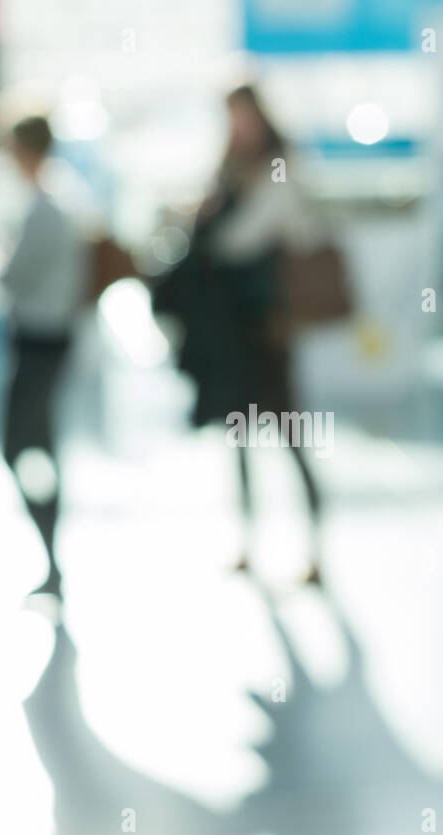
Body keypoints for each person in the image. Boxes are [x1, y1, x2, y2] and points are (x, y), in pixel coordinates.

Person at [169, 84, 325, 584]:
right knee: (238, 437)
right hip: (232, 328)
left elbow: (248, 238)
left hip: (267, 327)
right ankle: (249, 542)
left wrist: (211, 227)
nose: (238, 126)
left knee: (289, 436)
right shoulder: (230, 168)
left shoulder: (279, 168)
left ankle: (316, 548)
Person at [0, 111, 93, 597]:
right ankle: (51, 557)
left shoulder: (45, 207)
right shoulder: (60, 198)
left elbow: (12, 276)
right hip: (52, 337)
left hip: (40, 339)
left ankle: (51, 551)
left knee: (21, 445)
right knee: (38, 445)